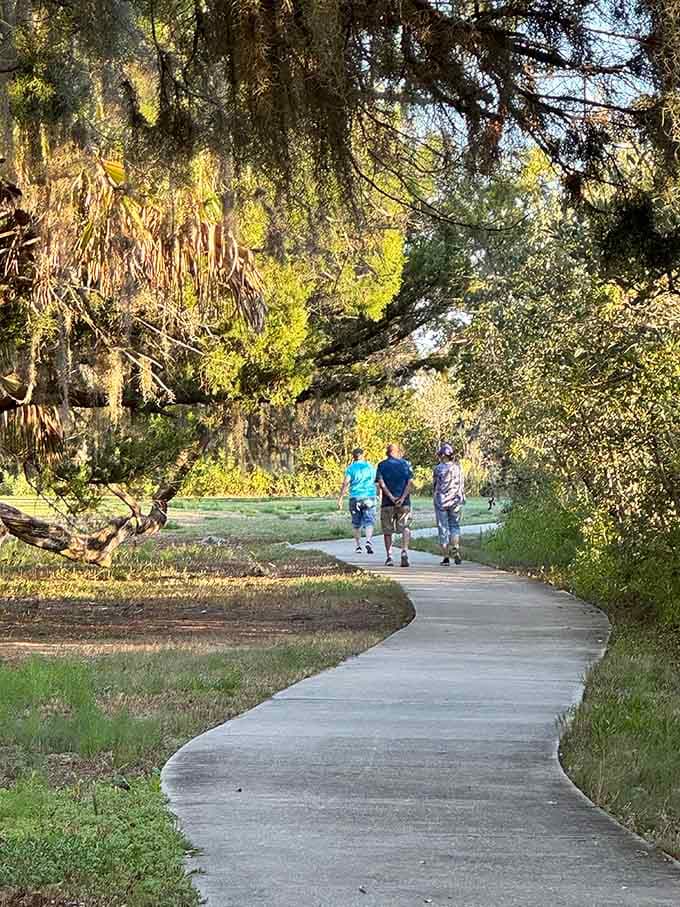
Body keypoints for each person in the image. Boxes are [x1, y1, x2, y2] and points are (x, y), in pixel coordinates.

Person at [375, 443, 414, 567]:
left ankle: (390, 556)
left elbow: (381, 483)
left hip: (387, 503)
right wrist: (402, 498)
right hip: (404, 503)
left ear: (387, 453)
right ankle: (404, 551)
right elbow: (410, 483)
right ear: (398, 452)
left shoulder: (381, 465)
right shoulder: (406, 464)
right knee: (405, 527)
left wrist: (391, 497)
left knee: (388, 531)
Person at [337, 448, 377, 554]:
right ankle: (368, 541)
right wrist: (379, 494)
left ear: (353, 456)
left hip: (355, 497)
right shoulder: (369, 467)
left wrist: (340, 497)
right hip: (369, 497)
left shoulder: (350, 468)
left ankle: (358, 546)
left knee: (356, 523)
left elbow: (345, 483)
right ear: (363, 455)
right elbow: (376, 481)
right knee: (369, 521)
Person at [433, 443, 465, 565]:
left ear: (442, 455)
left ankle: (446, 558)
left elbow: (435, 485)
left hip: (441, 501)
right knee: (455, 526)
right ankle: (455, 547)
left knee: (443, 527)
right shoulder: (458, 468)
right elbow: (462, 484)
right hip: (455, 500)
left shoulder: (438, 469)